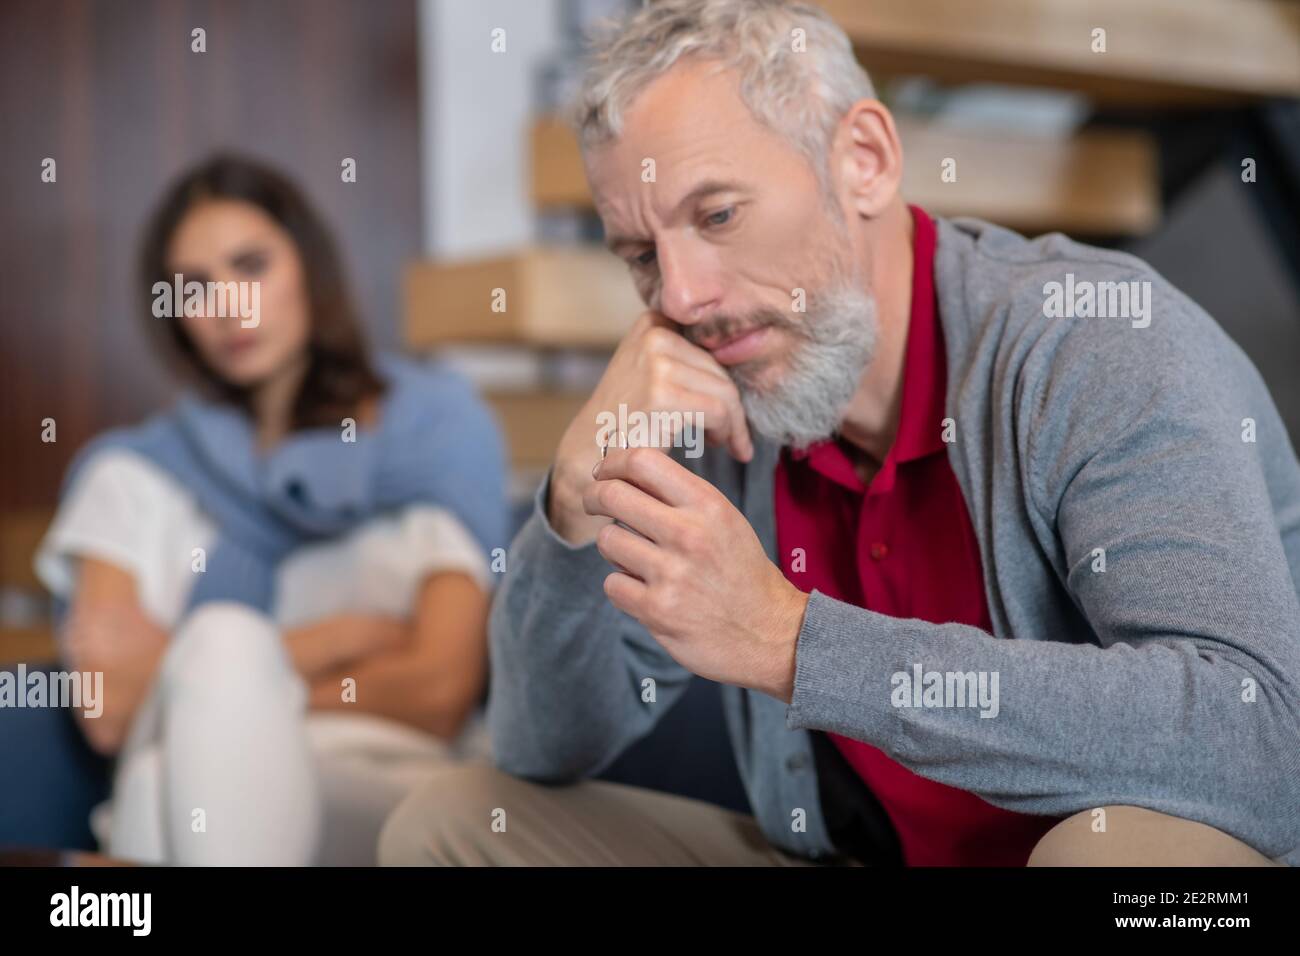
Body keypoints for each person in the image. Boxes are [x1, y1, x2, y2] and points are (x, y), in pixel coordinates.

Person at [380, 0, 1299, 866]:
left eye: (718, 215)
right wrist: (572, 500)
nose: (683, 296)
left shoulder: (1095, 341)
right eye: (638, 254)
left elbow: (1256, 738)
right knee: (454, 826)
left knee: (1115, 862)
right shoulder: (723, 388)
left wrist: (793, 642)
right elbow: (546, 744)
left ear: (862, 158)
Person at [36, 154, 508, 865]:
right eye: (194, 288)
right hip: (177, 793)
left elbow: (440, 688)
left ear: (307, 268)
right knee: (170, 741)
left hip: (392, 789)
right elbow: (109, 715)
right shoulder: (129, 473)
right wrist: (337, 641)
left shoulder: (429, 433)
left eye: (250, 265)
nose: (228, 306)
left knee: (159, 775)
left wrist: (193, 686)